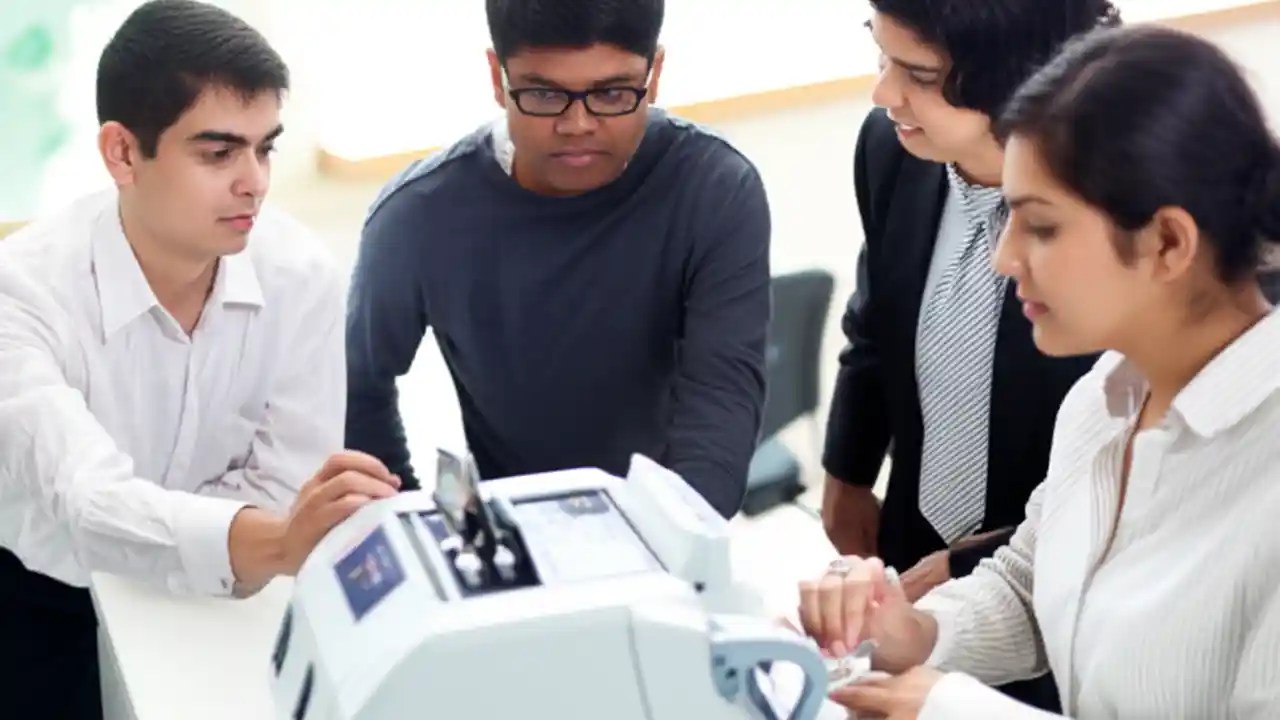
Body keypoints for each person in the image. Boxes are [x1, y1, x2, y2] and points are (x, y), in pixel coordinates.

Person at [799, 24, 1280, 719]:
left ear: (1168, 242)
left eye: (1041, 227)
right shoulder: (1102, 402)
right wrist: (908, 629)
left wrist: (954, 710)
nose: (1004, 258)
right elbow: (1034, 582)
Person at [0, 3, 398, 718]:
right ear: (122, 153)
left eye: (265, 148)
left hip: (225, 592)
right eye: (218, 153)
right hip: (40, 600)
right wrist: (272, 537)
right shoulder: (19, 292)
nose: (254, 182)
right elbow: (87, 503)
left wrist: (251, 537)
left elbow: (283, 479)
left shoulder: (300, 274)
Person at [345, 0, 771, 517]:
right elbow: (357, 385)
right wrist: (413, 519)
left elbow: (722, 400)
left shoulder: (715, 190)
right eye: (544, 94)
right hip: (515, 528)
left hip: (669, 524)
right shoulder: (416, 216)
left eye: (611, 93)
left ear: (654, 74)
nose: (577, 124)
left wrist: (676, 547)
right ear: (497, 79)